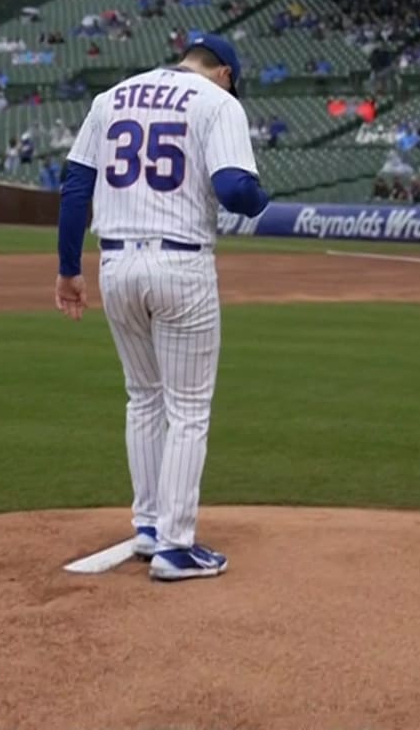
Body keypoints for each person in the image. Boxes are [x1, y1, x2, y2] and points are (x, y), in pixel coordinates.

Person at [55, 35, 268, 582]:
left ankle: (148, 525)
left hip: (116, 264)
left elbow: (77, 187)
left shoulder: (112, 98)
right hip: (181, 265)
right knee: (189, 409)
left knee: (142, 398)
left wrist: (68, 269)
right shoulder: (218, 102)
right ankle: (177, 545)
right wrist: (262, 197)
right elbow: (235, 189)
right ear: (222, 73)